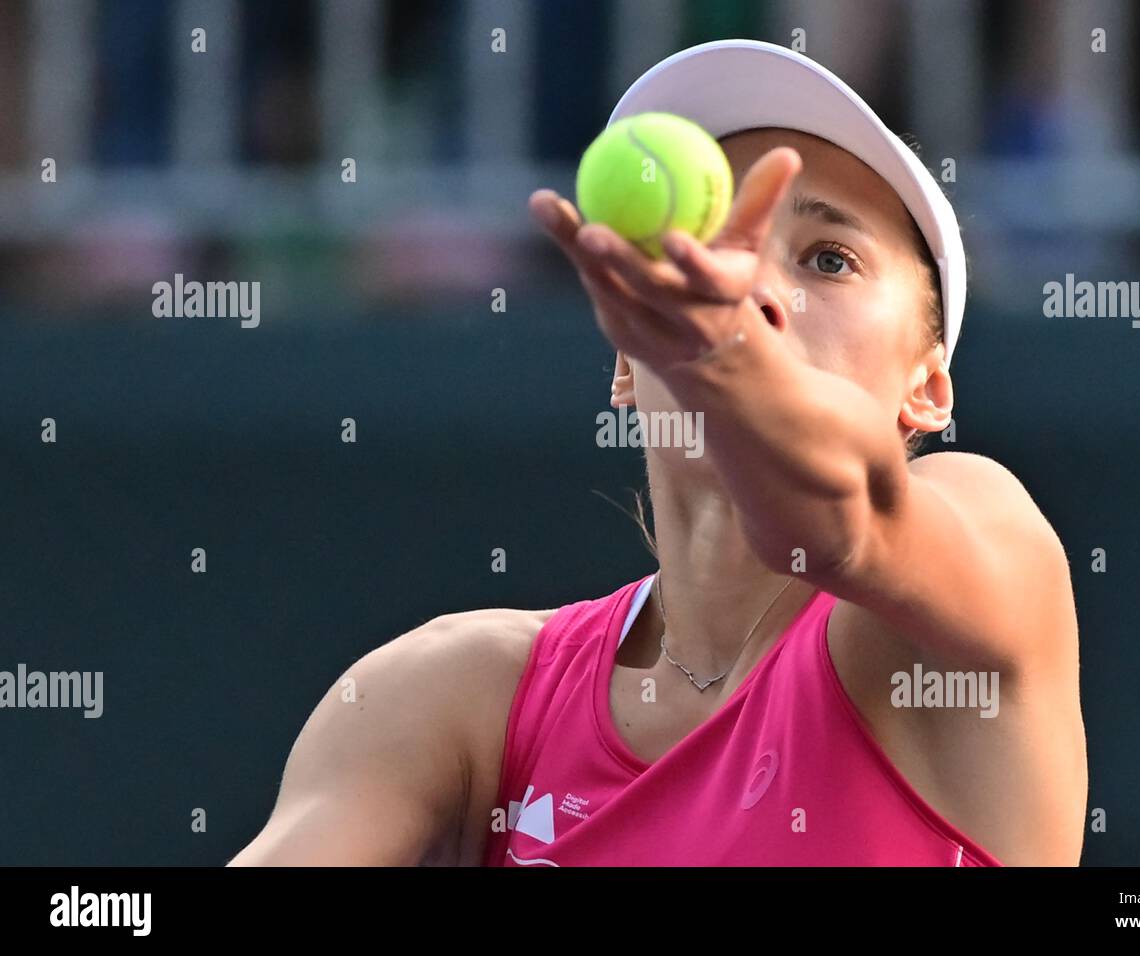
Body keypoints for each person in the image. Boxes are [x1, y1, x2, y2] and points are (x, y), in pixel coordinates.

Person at [229, 39, 1086, 868]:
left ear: (927, 391)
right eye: (712, 245)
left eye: (829, 259)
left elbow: (842, 519)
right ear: (627, 365)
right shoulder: (456, 696)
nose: (751, 288)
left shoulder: (980, 560)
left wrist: (730, 358)